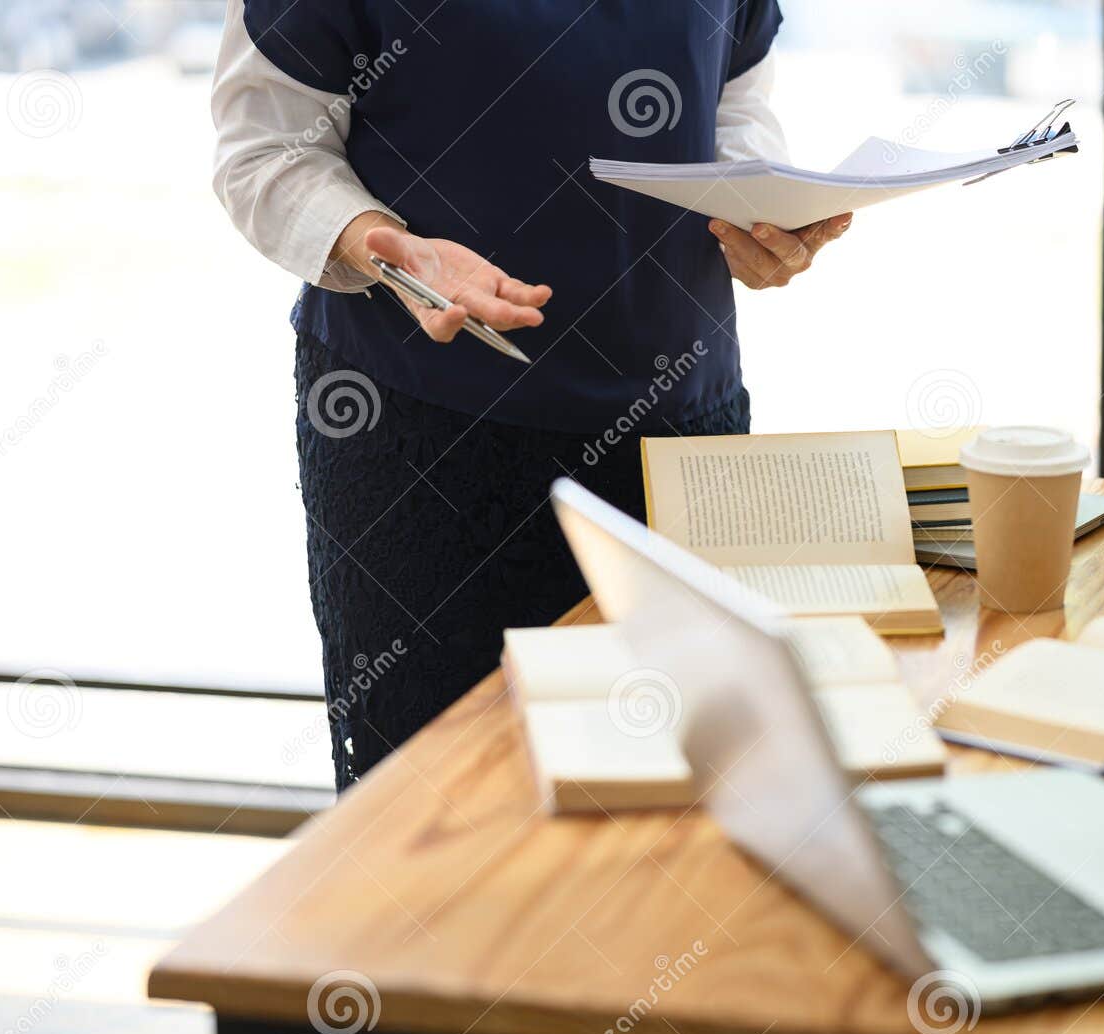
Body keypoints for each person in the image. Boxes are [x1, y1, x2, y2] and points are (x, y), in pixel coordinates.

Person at [212, 1, 848, 790]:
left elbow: (734, 103)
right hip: (427, 446)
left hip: (684, 430)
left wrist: (757, 214)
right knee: (440, 801)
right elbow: (265, 150)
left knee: (697, 791)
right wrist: (386, 247)